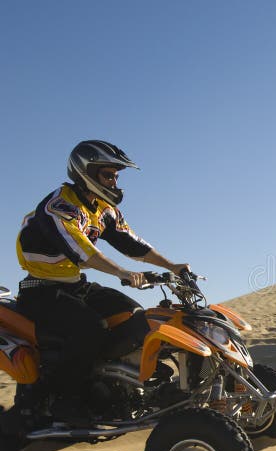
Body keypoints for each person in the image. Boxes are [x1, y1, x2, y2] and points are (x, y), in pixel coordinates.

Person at [13, 140, 190, 420]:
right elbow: (82, 251)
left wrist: (173, 266)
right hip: (41, 291)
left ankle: (115, 384)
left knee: (134, 316)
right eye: (108, 175)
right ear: (86, 172)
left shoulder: (102, 209)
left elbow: (132, 243)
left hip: (76, 286)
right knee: (89, 329)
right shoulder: (60, 206)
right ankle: (65, 400)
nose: (114, 182)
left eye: (116, 176)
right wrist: (121, 273)